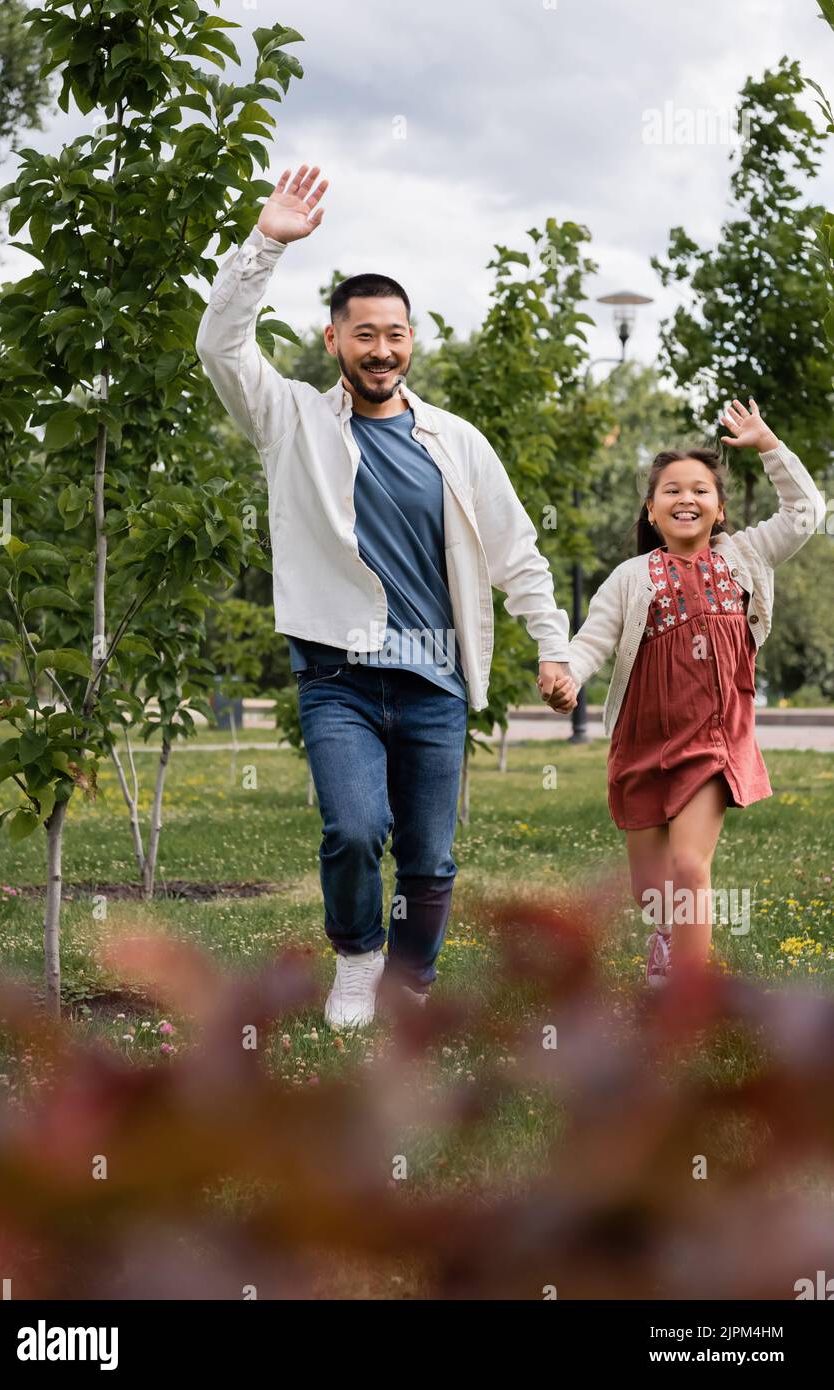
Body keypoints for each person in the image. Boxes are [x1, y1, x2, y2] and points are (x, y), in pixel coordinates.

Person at [195, 164, 576, 1026]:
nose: (381, 351)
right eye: (363, 334)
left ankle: (411, 983)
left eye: (394, 335)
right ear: (333, 340)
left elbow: (516, 552)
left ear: (412, 342)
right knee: (355, 829)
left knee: (429, 856)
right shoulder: (291, 421)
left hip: (435, 680)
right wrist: (263, 246)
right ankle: (358, 958)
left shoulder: (457, 442)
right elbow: (220, 345)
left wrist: (552, 646)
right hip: (337, 675)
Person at [566, 399, 825, 985]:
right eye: (672, 490)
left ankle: (687, 996)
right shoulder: (631, 578)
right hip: (642, 744)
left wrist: (768, 445)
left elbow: (806, 511)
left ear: (720, 509)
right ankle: (666, 931)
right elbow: (592, 640)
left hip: (713, 741)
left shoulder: (746, 556)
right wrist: (566, 677)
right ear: (652, 510)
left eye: (701, 490)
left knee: (689, 867)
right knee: (651, 891)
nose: (687, 498)